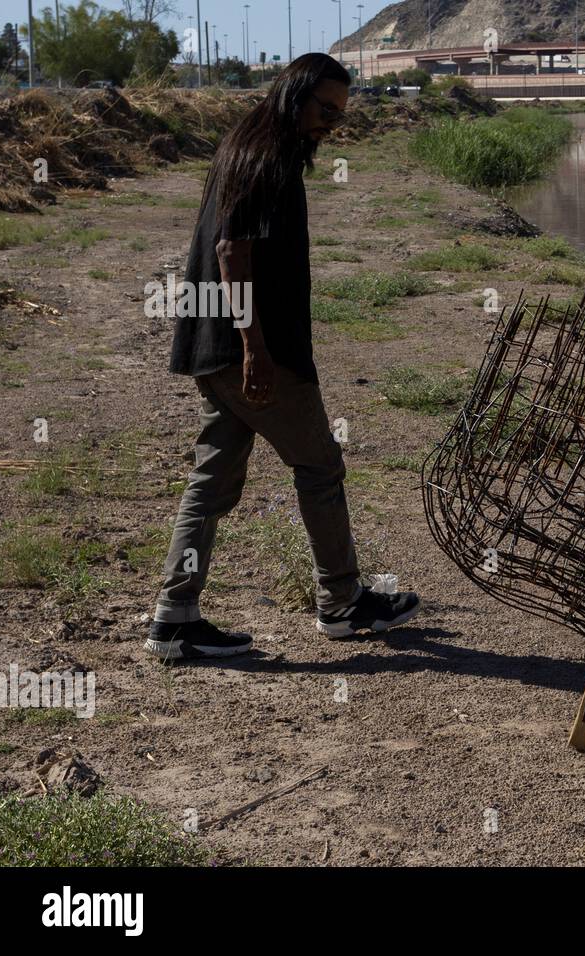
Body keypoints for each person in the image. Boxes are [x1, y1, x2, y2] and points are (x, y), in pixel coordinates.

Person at [146, 53, 420, 661]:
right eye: (324, 109)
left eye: (339, 115)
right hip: (250, 350)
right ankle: (343, 602)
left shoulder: (250, 142)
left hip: (212, 345)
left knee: (212, 477)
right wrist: (255, 347)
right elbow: (232, 252)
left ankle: (175, 617)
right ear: (294, 95)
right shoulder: (267, 155)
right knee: (319, 466)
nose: (331, 123)